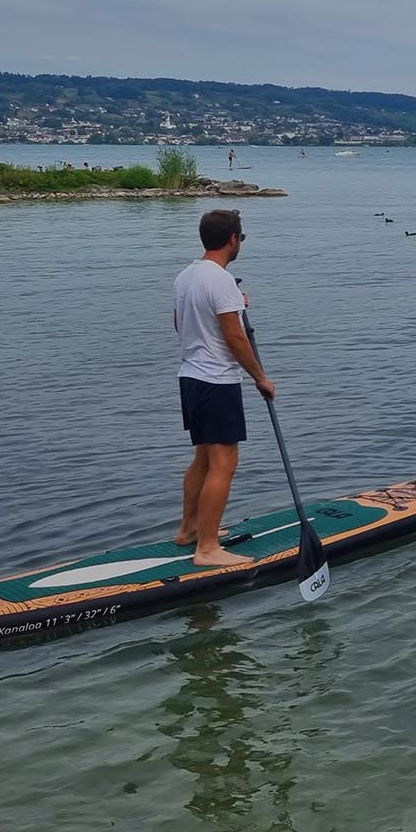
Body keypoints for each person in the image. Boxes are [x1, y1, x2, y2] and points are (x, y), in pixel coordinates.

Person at [172, 209, 276, 568]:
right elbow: (234, 336)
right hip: (217, 381)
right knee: (225, 461)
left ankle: (189, 529)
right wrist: (260, 377)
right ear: (233, 239)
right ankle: (208, 549)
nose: (240, 244)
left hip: (190, 377)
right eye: (241, 238)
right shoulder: (220, 281)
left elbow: (179, 323)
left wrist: (232, 303)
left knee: (203, 457)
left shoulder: (185, 276)